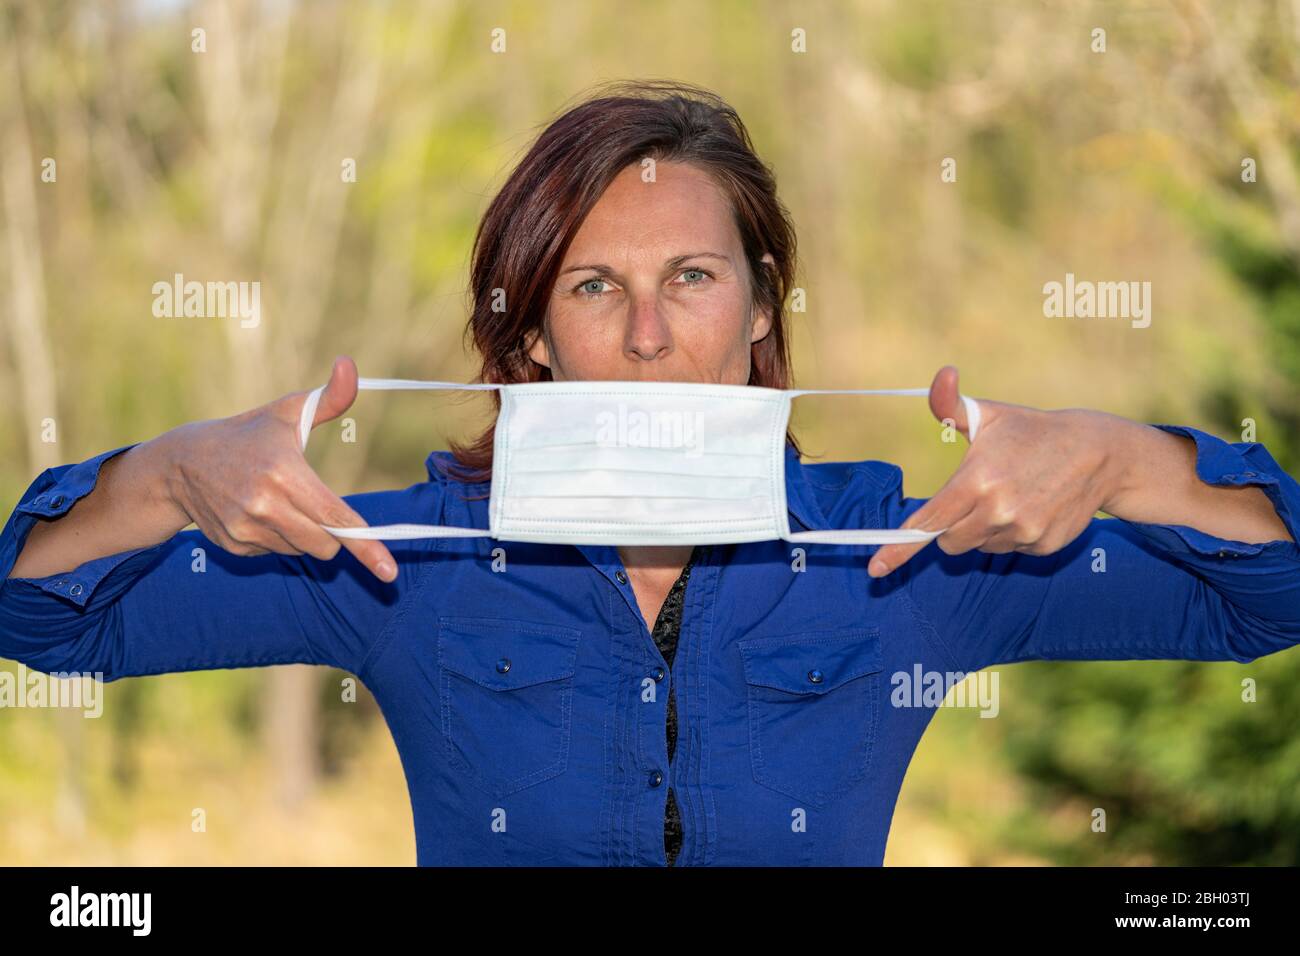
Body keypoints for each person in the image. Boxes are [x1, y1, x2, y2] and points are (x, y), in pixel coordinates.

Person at [2, 80, 1298, 867]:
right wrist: (170, 477)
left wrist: (1124, 459)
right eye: (593, 287)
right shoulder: (404, 562)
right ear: (529, 339)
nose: (644, 335)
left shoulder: (912, 561)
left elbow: (1268, 596)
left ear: (757, 315)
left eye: (691, 278)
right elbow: (40, 616)